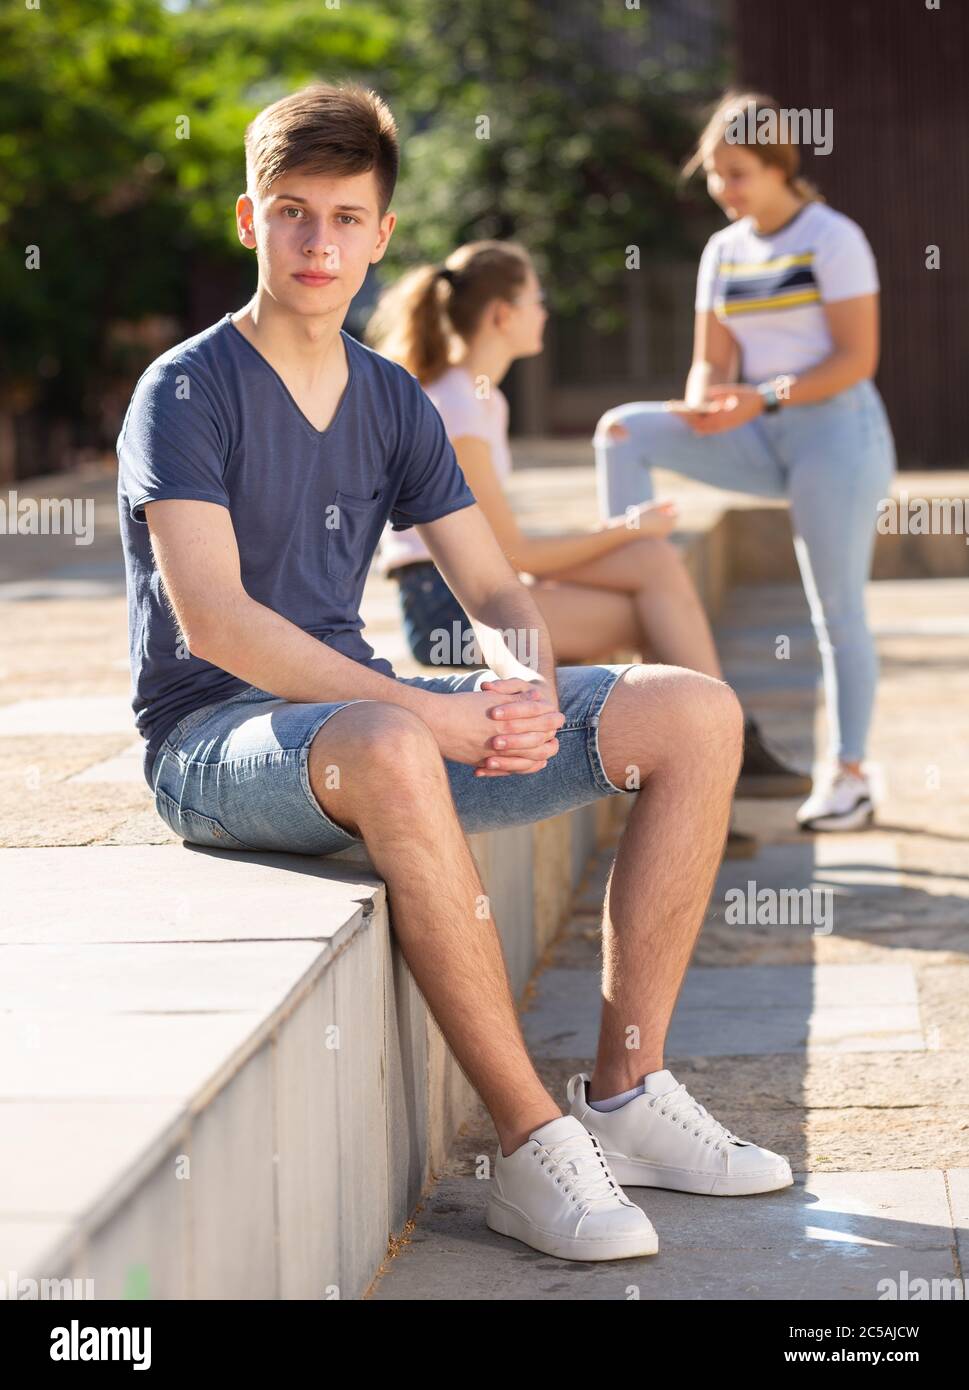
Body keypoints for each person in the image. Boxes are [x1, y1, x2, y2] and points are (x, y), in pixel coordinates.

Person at [116, 81, 793, 1267]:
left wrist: (519, 684)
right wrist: (430, 711)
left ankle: (626, 1095)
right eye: (292, 213)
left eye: (343, 217)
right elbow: (213, 622)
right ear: (248, 221)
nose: (317, 242)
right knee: (387, 739)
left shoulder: (389, 398)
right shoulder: (185, 388)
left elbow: (494, 588)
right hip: (219, 747)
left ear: (382, 237)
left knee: (690, 709)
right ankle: (534, 1150)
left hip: (364, 733)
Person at [367, 239, 809, 830]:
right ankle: (713, 768)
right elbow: (511, 555)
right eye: (536, 298)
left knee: (651, 561)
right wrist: (623, 528)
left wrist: (628, 535)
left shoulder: (482, 400)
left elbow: (507, 553)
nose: (545, 311)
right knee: (653, 609)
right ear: (502, 314)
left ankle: (722, 750)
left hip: (473, 594)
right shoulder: (459, 406)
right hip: (447, 608)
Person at [594, 90, 897, 832]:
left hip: (837, 437)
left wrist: (758, 397)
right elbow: (709, 363)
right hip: (758, 430)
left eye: (737, 174)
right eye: (713, 175)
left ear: (777, 166)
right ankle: (632, 573)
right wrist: (702, 402)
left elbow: (856, 360)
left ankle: (849, 773)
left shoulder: (832, 237)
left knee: (835, 611)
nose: (722, 190)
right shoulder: (723, 250)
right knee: (623, 432)